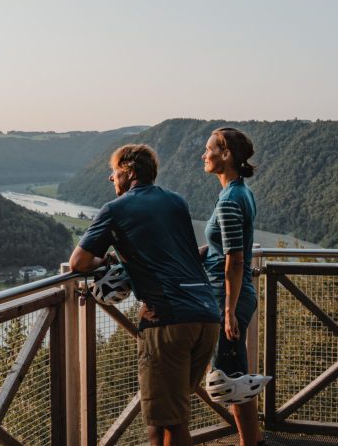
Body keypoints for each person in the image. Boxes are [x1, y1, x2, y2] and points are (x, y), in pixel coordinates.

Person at [68, 144, 221, 446]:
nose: (111, 179)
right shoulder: (176, 202)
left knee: (170, 423)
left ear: (129, 171)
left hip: (167, 320)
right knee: (163, 418)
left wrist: (108, 260)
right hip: (206, 314)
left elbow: (78, 263)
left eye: (113, 172)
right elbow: (188, 254)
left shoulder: (116, 209)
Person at [201, 127, 270, 446]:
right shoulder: (240, 191)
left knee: (228, 378)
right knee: (233, 374)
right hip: (236, 294)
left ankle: (250, 442)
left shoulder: (230, 199)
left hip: (229, 296)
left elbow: (235, 258)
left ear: (225, 154)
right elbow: (226, 247)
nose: (204, 155)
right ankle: (253, 440)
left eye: (209, 149)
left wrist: (228, 311)